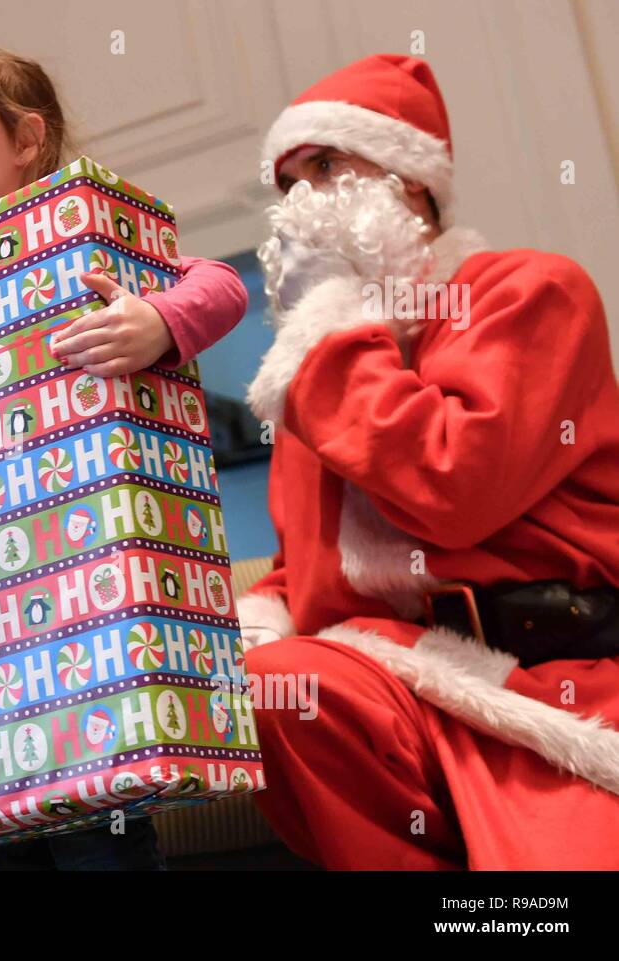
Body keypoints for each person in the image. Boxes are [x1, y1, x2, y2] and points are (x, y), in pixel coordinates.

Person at [236, 54, 619, 868]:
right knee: (279, 687)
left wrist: (327, 336)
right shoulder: (307, 380)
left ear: (408, 182)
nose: (304, 201)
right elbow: (302, 572)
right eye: (289, 183)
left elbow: (453, 485)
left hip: (557, 686)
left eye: (328, 165)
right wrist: (249, 624)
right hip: (400, 686)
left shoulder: (533, 292)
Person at [0, 48, 250, 870]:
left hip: (87, 583)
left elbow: (221, 285)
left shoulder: (85, 244)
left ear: (26, 139)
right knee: (15, 834)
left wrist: (159, 320)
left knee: (106, 824)